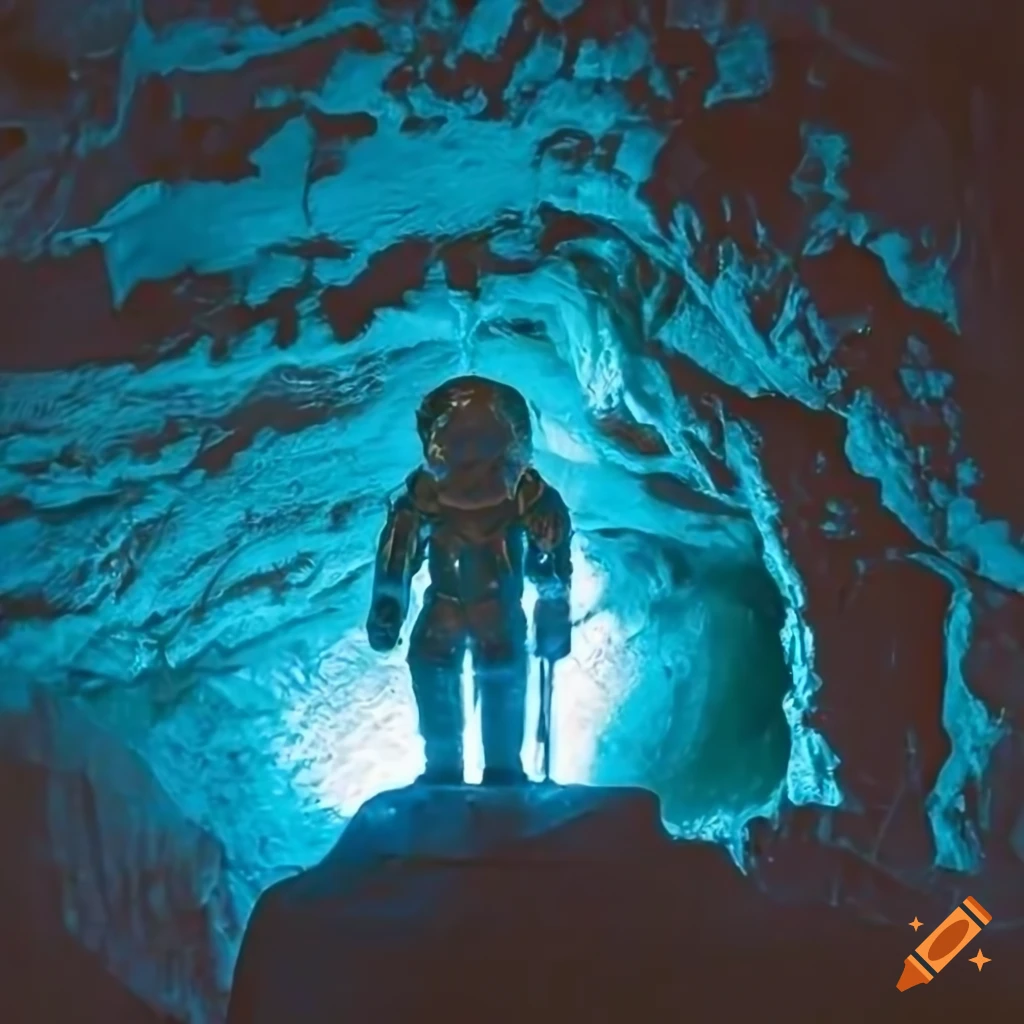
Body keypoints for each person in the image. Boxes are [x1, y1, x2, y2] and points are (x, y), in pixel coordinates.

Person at [365, 375, 573, 786]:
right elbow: (399, 550)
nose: (472, 454)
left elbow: (549, 554)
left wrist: (553, 603)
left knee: (499, 676)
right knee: (436, 670)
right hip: (449, 607)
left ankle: (500, 769)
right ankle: (446, 768)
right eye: (461, 440)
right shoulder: (426, 495)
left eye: (483, 440)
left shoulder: (525, 494)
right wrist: (389, 600)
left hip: (495, 610)